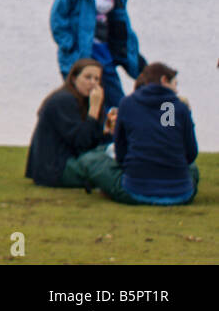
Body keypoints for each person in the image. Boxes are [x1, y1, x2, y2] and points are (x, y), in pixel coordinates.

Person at [68, 62, 200, 205]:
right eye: (175, 84)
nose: (176, 90)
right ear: (163, 80)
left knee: (91, 160)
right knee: (192, 168)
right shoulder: (179, 108)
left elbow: (121, 152)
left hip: (136, 192)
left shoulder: (128, 104)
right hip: (181, 194)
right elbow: (191, 153)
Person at [49, 0, 142, 109]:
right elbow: (57, 19)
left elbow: (121, 21)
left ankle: (115, 135)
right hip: (80, 55)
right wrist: (70, 45)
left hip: (106, 52)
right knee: (82, 105)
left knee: (117, 103)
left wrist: (129, 50)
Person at [24, 58, 113, 187]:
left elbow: (95, 140)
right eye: (87, 78)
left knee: (112, 152)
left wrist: (110, 128)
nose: (93, 83)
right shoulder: (63, 100)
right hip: (55, 168)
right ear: (73, 79)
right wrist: (94, 108)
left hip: (72, 160)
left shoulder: (85, 100)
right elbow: (82, 142)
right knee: (106, 165)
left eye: (97, 79)